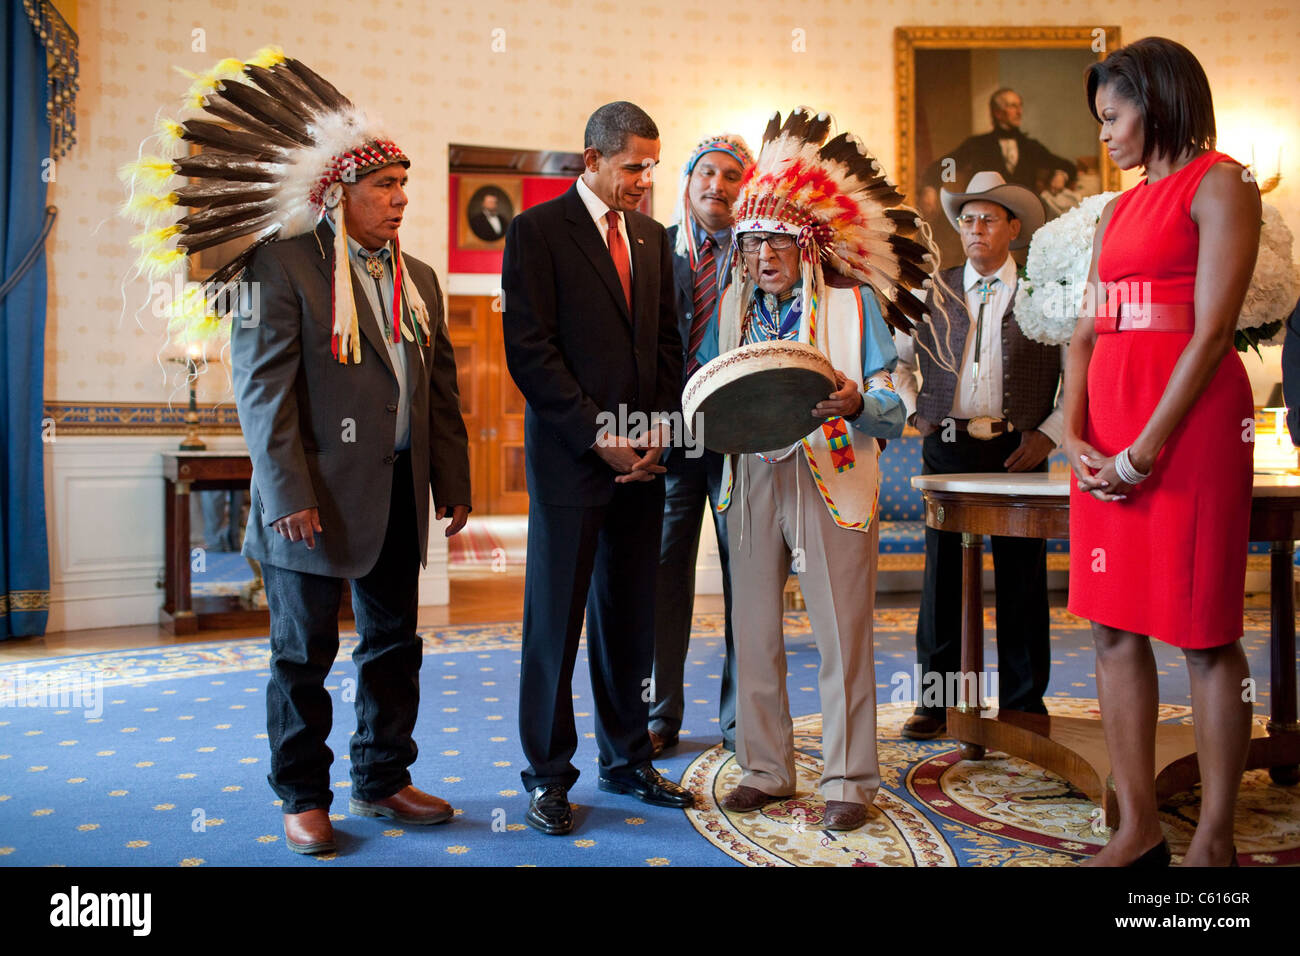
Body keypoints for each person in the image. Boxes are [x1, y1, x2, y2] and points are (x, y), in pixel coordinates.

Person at [124, 51, 472, 857]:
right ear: (339, 193)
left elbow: (437, 391)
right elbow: (263, 394)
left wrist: (450, 481)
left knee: (394, 647)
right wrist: (286, 496)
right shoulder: (283, 268)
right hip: (308, 501)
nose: (400, 199)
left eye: (404, 185)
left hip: (394, 498)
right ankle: (304, 795)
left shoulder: (418, 277)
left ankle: (383, 776)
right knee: (301, 656)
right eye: (385, 186)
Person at [1064, 37, 1260, 867]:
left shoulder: (1224, 182)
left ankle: (1213, 838)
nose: (1104, 133)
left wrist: (1145, 451)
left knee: (1204, 631)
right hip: (1106, 430)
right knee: (1112, 629)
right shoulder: (1115, 208)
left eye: (1114, 115)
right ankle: (1136, 825)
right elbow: (1082, 331)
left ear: (1159, 99)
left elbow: (1213, 331)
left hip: (1189, 432)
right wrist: (1071, 431)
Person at [706, 109, 928, 831]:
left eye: (776, 240)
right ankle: (767, 769)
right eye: (752, 243)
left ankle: (848, 780)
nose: (763, 254)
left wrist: (862, 400)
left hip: (829, 477)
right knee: (755, 628)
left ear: (805, 245)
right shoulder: (731, 313)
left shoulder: (855, 307)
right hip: (748, 480)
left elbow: (898, 397)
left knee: (841, 630)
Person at [501, 101, 692, 836]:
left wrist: (657, 438)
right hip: (573, 465)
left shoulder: (652, 237)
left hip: (642, 466)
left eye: (652, 164)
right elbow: (531, 351)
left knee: (627, 623)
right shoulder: (537, 233)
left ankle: (626, 757)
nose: (646, 179)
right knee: (554, 626)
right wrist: (597, 435)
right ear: (592, 161)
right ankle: (548, 776)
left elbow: (668, 349)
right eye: (633, 166)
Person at [893, 170, 1060, 741]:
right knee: (942, 578)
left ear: (1013, 227)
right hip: (948, 447)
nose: (976, 229)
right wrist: (917, 410)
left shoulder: (1045, 291)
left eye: (989, 218)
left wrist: (1050, 434)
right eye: (967, 219)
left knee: (1021, 577)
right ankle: (935, 703)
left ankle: (1022, 704)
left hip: (1021, 448)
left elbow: (1078, 373)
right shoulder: (930, 289)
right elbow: (895, 360)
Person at [650, 133, 753, 758]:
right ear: (687, 183)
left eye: (731, 176)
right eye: (705, 173)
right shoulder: (654, 250)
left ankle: (744, 718)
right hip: (673, 436)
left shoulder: (761, 253)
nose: (717, 184)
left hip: (742, 435)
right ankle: (659, 713)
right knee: (664, 579)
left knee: (749, 578)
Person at [921, 88, 1077, 196]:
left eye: (1020, 106)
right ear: (998, 113)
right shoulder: (977, 145)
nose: (1019, 111)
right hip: (987, 215)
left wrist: (1060, 174)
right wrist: (930, 187)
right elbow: (946, 164)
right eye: (1012, 106)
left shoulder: (1030, 146)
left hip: (1024, 216)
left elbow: (1066, 165)